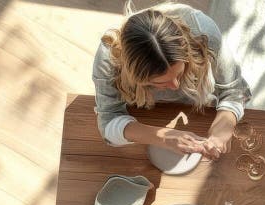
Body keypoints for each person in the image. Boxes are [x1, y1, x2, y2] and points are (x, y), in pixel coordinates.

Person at [93, 2, 251, 159]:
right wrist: (163, 137)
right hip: (140, 113)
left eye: (180, 73)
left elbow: (234, 91)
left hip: (196, 109)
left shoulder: (204, 34)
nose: (175, 86)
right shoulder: (110, 57)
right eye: (160, 83)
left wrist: (220, 132)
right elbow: (108, 120)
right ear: (134, 76)